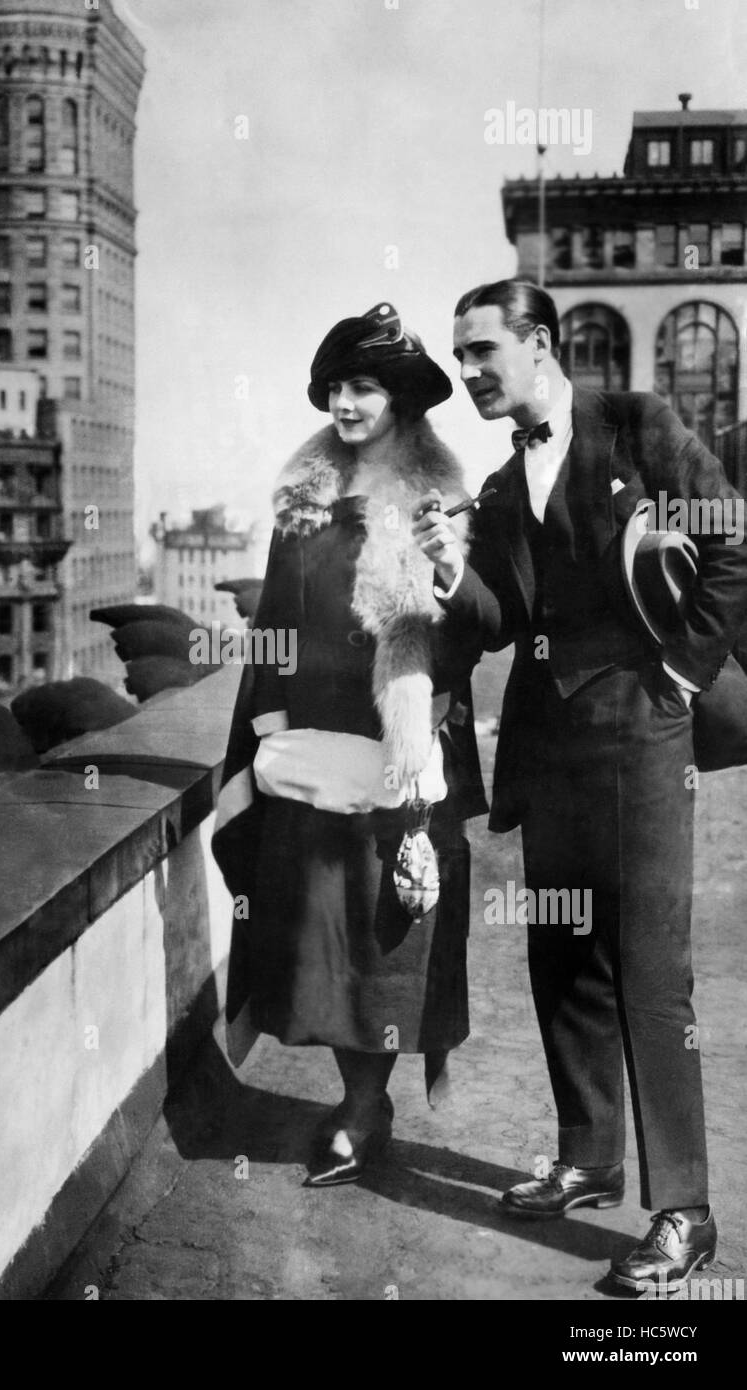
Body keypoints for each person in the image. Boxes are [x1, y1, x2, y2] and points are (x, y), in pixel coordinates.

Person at [412, 278, 747, 1290]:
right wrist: (442, 572)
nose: (465, 372)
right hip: (547, 739)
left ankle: (682, 1211)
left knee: (649, 965)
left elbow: (730, 541)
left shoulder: (633, 425)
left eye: (480, 352)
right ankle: (587, 1152)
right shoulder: (501, 487)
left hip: (639, 732)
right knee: (562, 953)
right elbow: (494, 620)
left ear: (540, 346)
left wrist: (679, 677)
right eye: (459, 356)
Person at [213, 303, 487, 1187]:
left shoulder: (441, 502)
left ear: (401, 399)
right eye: (334, 386)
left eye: (363, 385)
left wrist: (449, 582)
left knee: (382, 943)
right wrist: (266, 730)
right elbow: (274, 623)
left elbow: (469, 633)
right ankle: (360, 1103)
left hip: (395, 750)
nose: (345, 402)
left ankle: (366, 1110)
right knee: (323, 944)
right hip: (310, 753)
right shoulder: (301, 505)